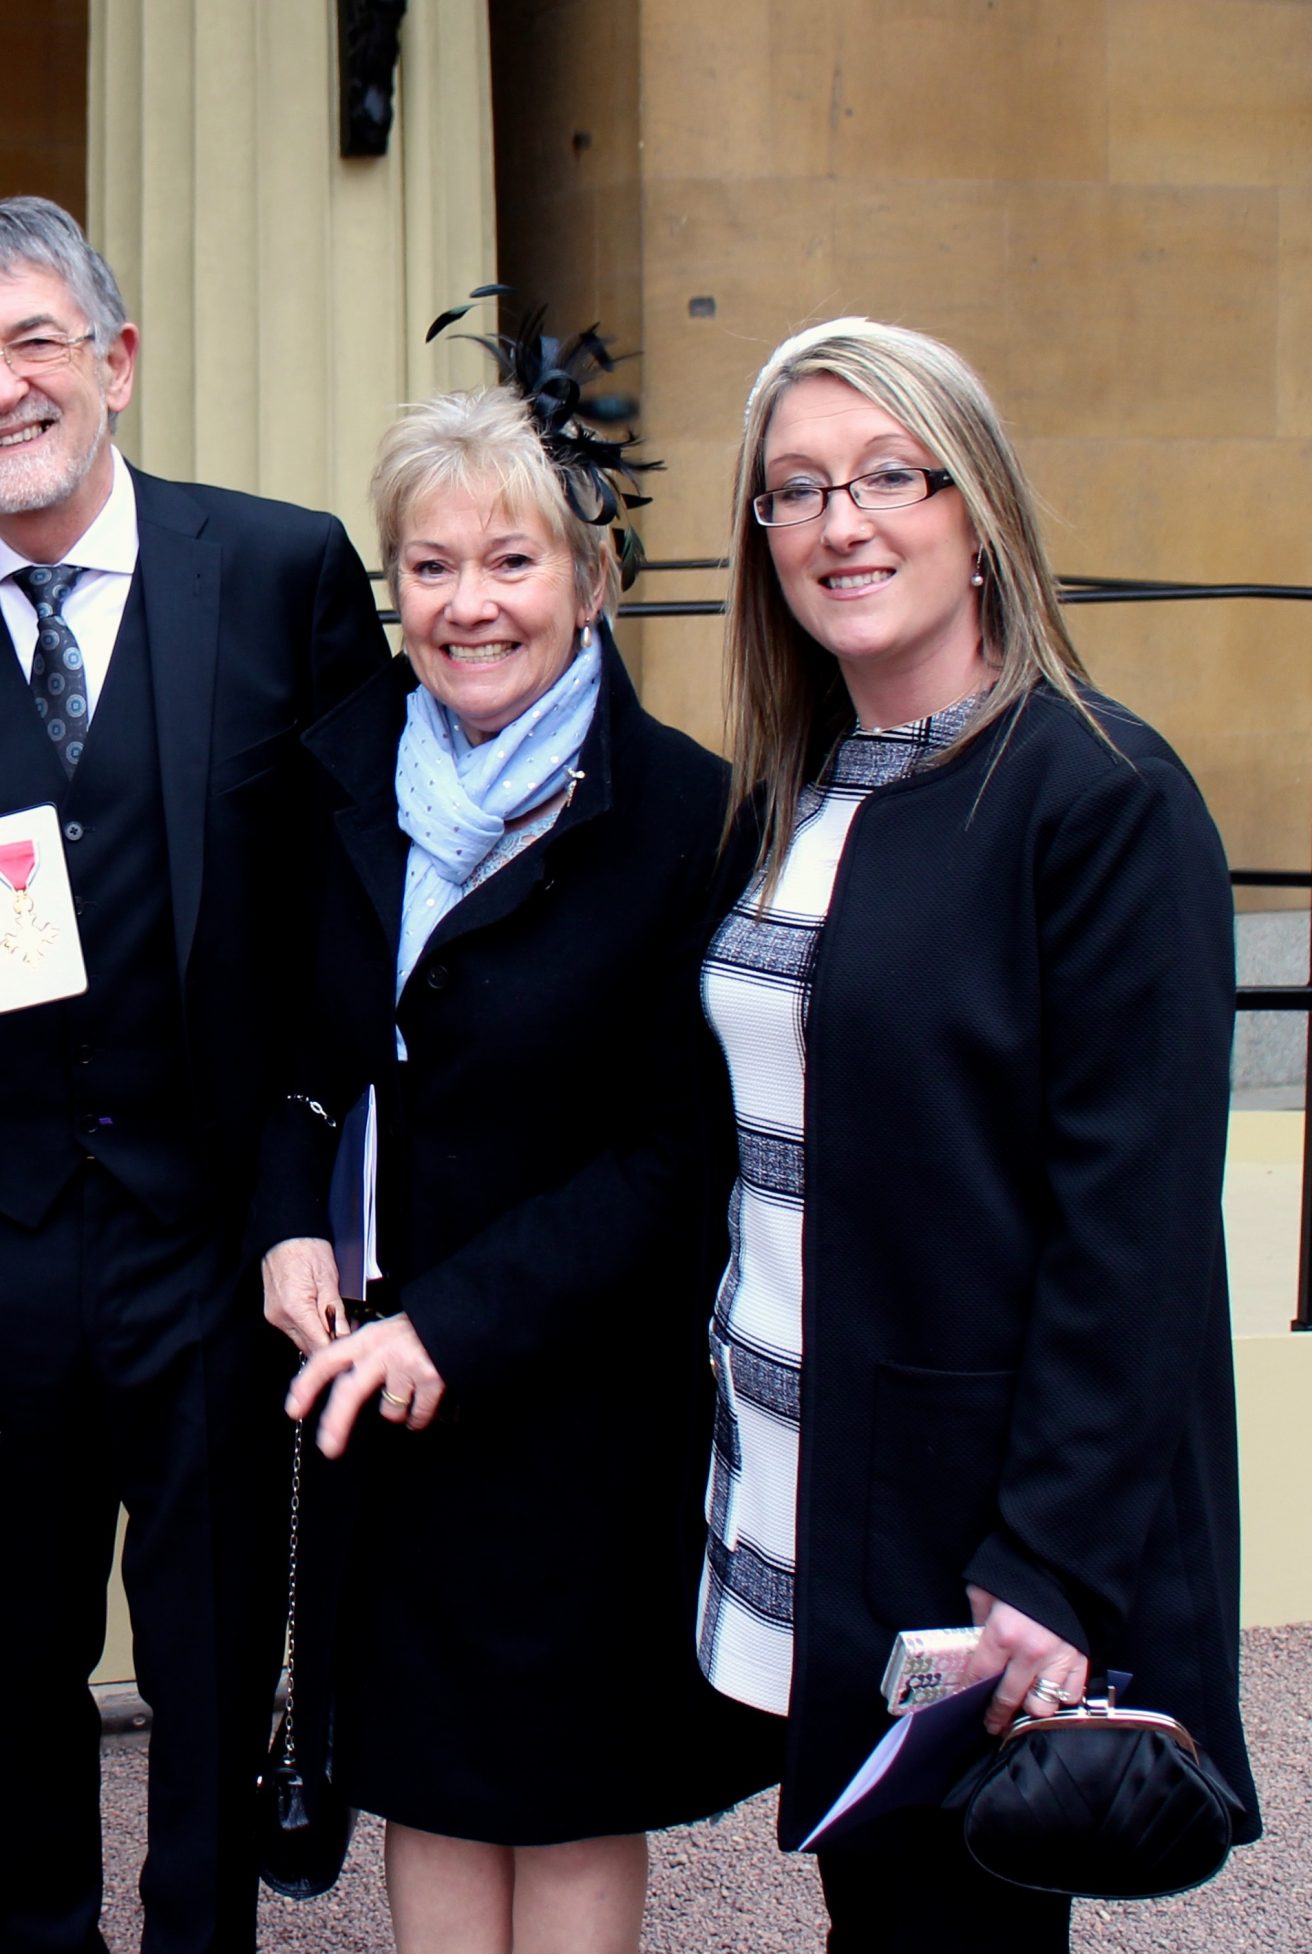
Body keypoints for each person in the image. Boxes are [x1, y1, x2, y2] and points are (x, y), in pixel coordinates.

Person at [0, 194, 389, 1953]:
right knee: (15, 1661)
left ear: (116, 363)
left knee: (217, 1654)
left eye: (35, 344)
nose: (2, 390)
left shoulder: (285, 572)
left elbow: (348, 907)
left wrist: (309, 1190)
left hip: (217, 1225)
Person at [695, 317, 1260, 1950]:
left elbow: (1136, 1226)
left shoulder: (1098, 793)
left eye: (886, 475)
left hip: (979, 1519)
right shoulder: (803, 792)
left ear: (979, 508)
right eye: (793, 491)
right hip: (812, 1467)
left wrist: (1053, 1558)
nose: (840, 522)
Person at [269, 330, 780, 1953]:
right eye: (430, 564)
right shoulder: (338, 778)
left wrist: (460, 1324)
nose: (467, 600)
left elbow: (676, 1155)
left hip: (570, 1393)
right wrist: (291, 1219)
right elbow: (304, 1054)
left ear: (591, 578)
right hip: (382, 1401)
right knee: (422, 1776)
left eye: (509, 558)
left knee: (560, 1792)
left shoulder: (687, 815)